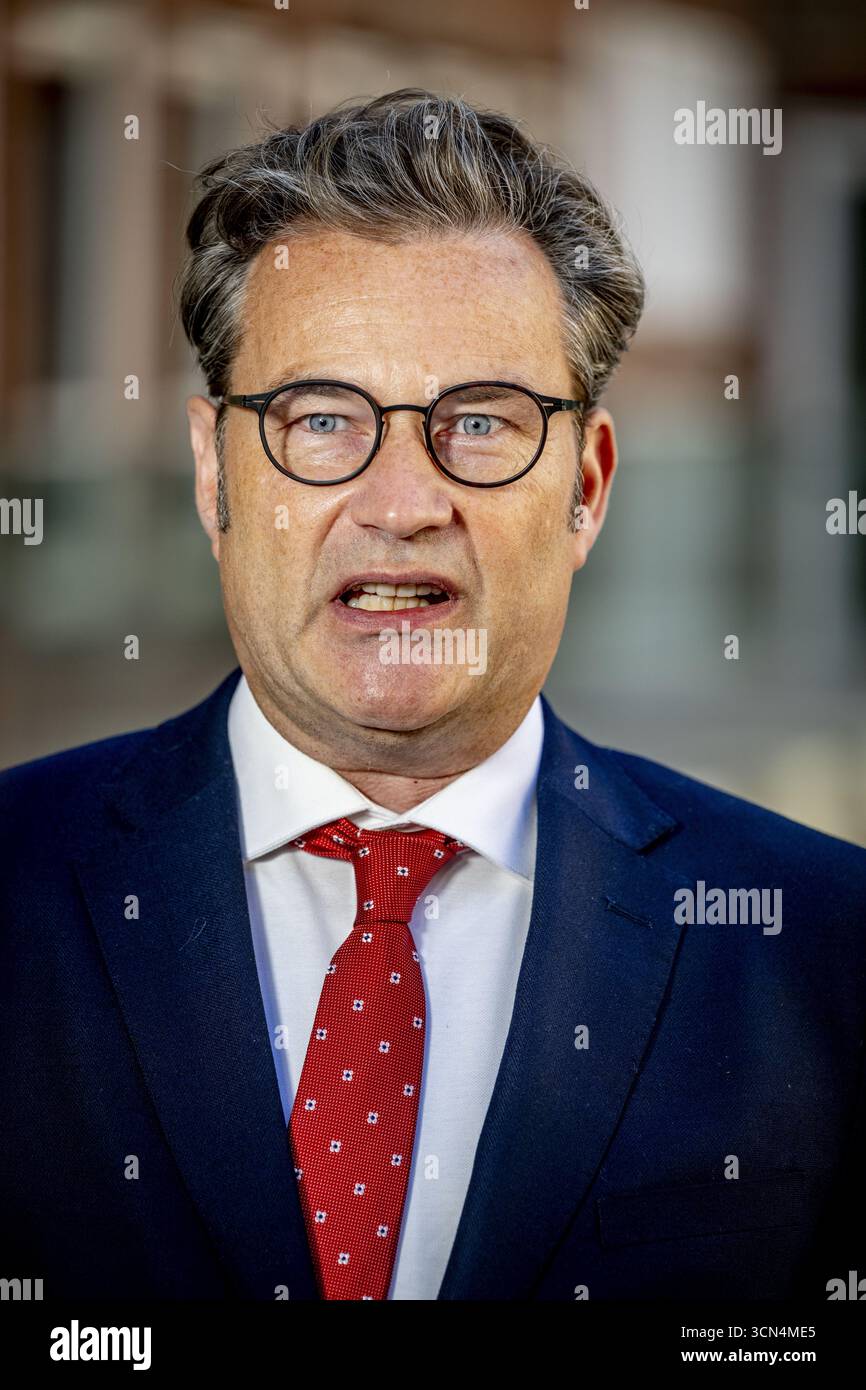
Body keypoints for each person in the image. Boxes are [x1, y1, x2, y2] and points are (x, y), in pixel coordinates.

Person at [1, 89, 864, 1303]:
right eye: (318, 418)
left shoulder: (824, 948)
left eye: (478, 422)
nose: (402, 503)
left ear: (588, 486)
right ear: (213, 474)